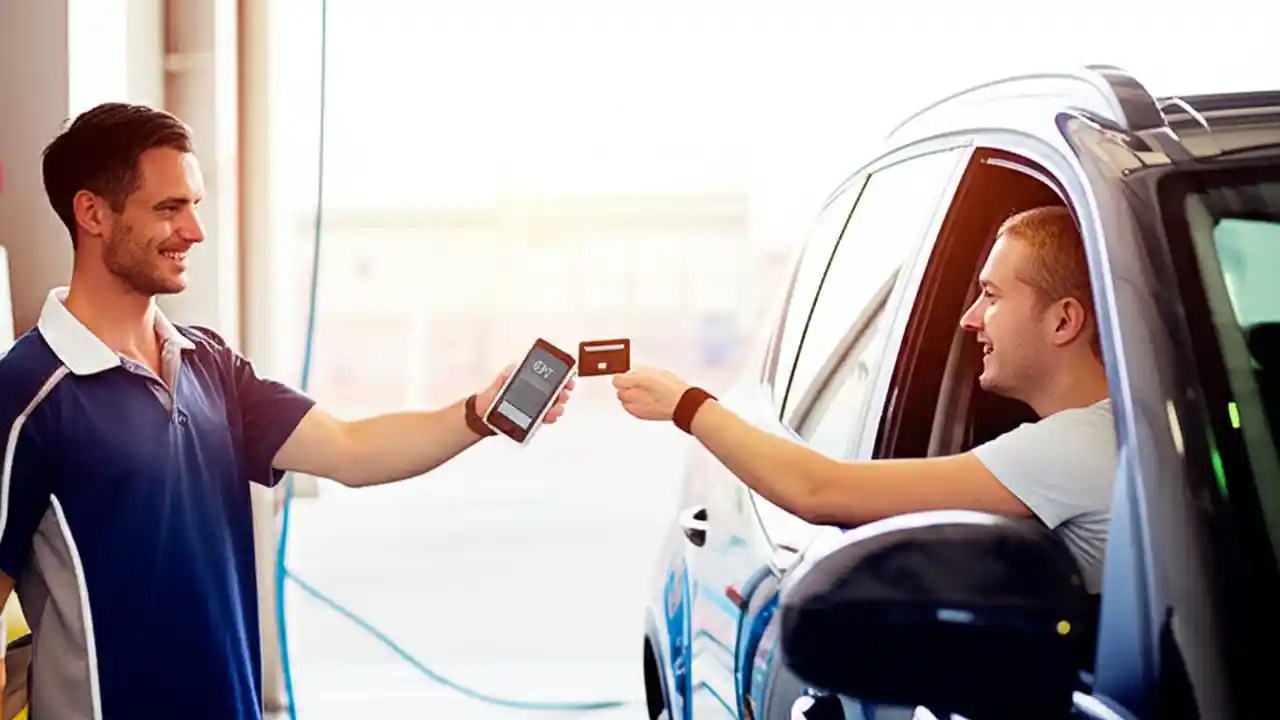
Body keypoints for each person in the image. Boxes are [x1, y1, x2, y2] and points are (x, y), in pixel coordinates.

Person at [0, 102, 572, 719]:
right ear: (92, 214)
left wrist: (478, 413)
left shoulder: (208, 363)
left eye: (195, 205)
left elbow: (350, 449)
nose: (194, 231)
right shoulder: (30, 392)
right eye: (169, 208)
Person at [614, 205, 1116, 594]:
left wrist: (685, 404)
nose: (970, 317)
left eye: (992, 295)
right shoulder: (1124, 434)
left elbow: (817, 490)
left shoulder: (1074, 447)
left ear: (1063, 321)